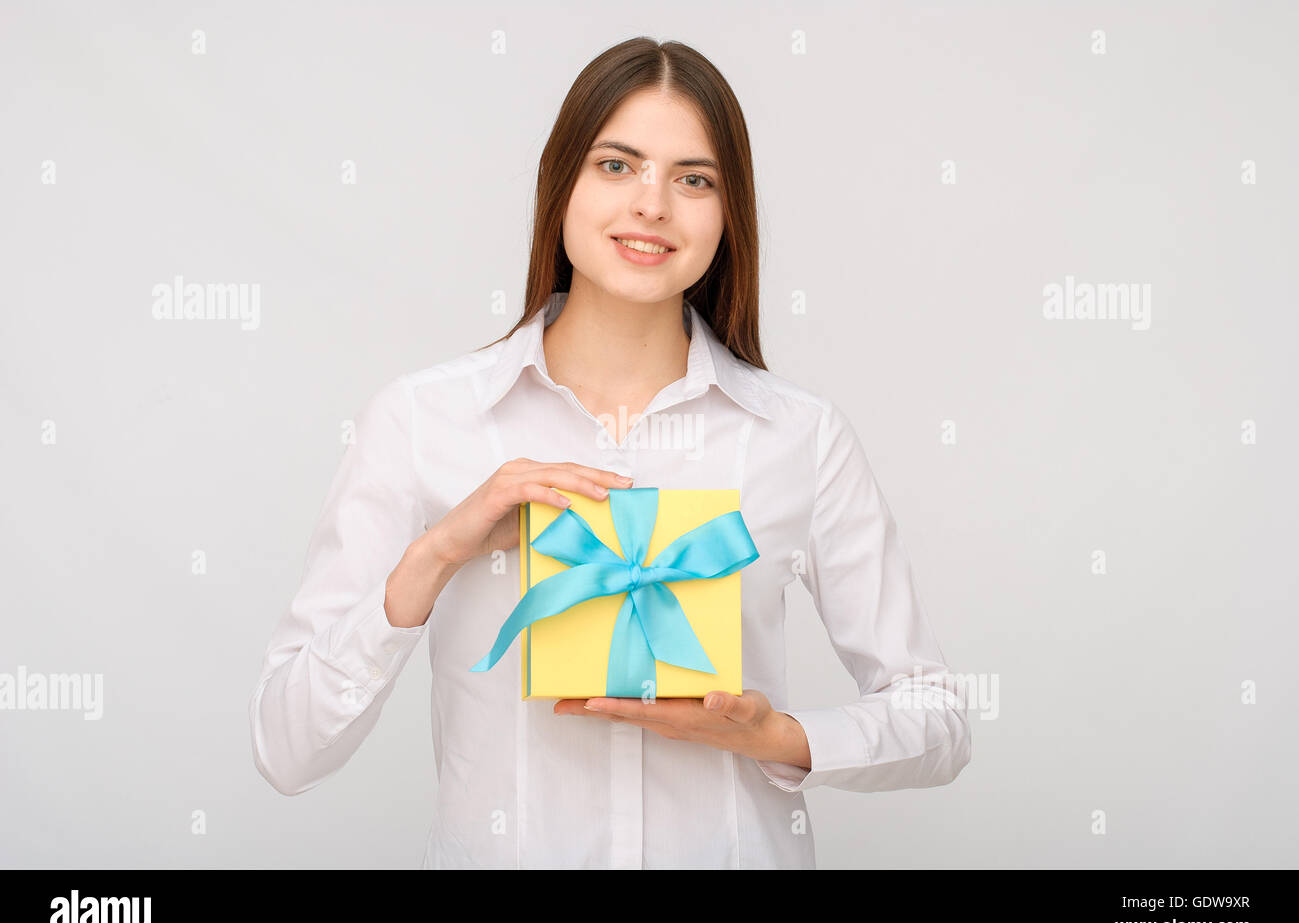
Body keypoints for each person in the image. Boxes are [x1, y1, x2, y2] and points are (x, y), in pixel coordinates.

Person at [248, 36, 971, 869]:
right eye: (617, 165)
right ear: (563, 184)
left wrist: (780, 734)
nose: (653, 205)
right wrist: (438, 552)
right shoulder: (422, 420)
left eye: (694, 179)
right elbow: (286, 747)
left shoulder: (800, 437)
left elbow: (938, 719)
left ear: (729, 213)